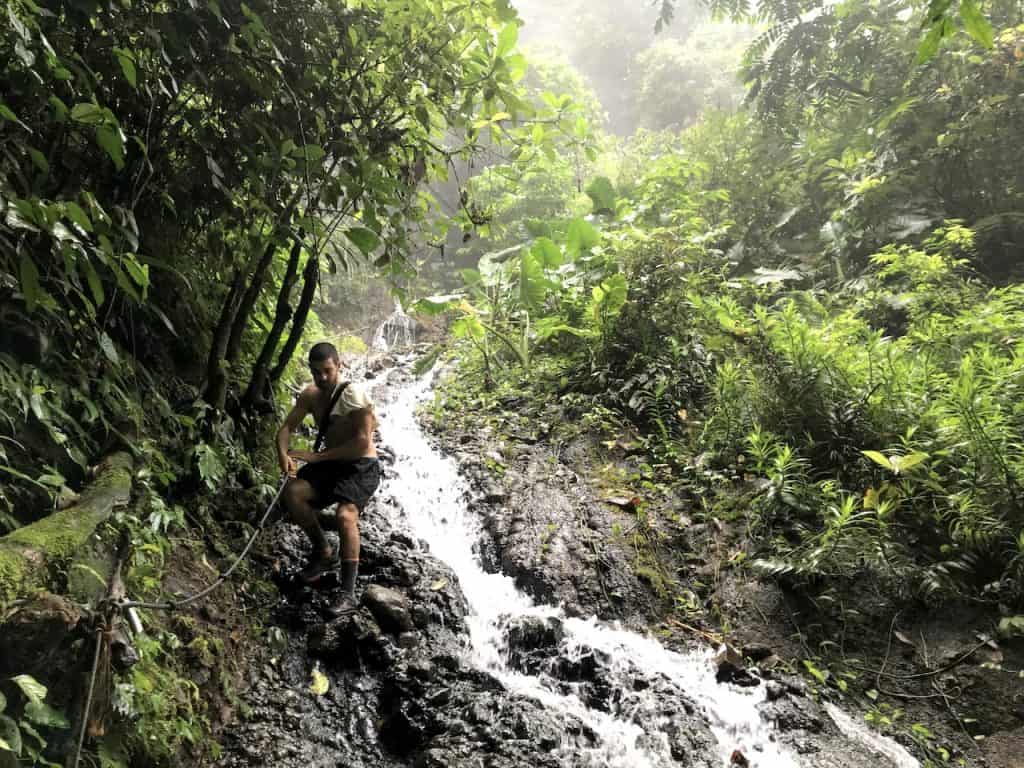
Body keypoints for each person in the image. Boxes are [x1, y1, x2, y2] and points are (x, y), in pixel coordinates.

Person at [277, 342, 382, 617]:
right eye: (316, 372)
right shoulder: (310, 395)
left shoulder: (354, 395)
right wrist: (282, 454)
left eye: (327, 371)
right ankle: (324, 552)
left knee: (345, 515)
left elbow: (361, 444)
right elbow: (286, 428)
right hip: (331, 463)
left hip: (361, 465)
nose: (322, 378)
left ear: (339, 366)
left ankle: (347, 593)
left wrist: (315, 458)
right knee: (293, 492)